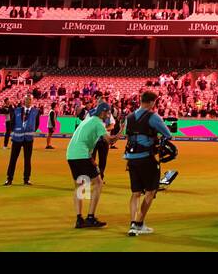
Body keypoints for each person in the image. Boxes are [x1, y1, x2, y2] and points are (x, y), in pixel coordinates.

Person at [122, 90, 173, 236]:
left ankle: (132, 224)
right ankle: (139, 223)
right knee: (151, 191)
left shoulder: (130, 117)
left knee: (135, 192)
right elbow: (167, 134)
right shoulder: (153, 116)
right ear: (151, 102)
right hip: (146, 157)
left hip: (131, 158)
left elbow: (128, 134)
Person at [66, 101, 111, 228]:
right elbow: (109, 140)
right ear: (102, 112)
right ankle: (90, 217)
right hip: (82, 154)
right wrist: (122, 131)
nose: (108, 116)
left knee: (81, 185)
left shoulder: (88, 119)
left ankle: (79, 219)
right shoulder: (98, 122)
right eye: (107, 113)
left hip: (71, 154)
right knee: (98, 183)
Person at [4, 95, 39, 186]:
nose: (28, 101)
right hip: (17, 139)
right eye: (27, 99)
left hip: (28, 139)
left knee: (27, 160)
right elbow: (12, 123)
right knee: (13, 159)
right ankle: (9, 179)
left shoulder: (36, 112)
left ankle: (26, 179)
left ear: (32, 100)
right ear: (24, 100)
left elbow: (37, 125)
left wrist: (29, 130)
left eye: (30, 99)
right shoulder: (17, 110)